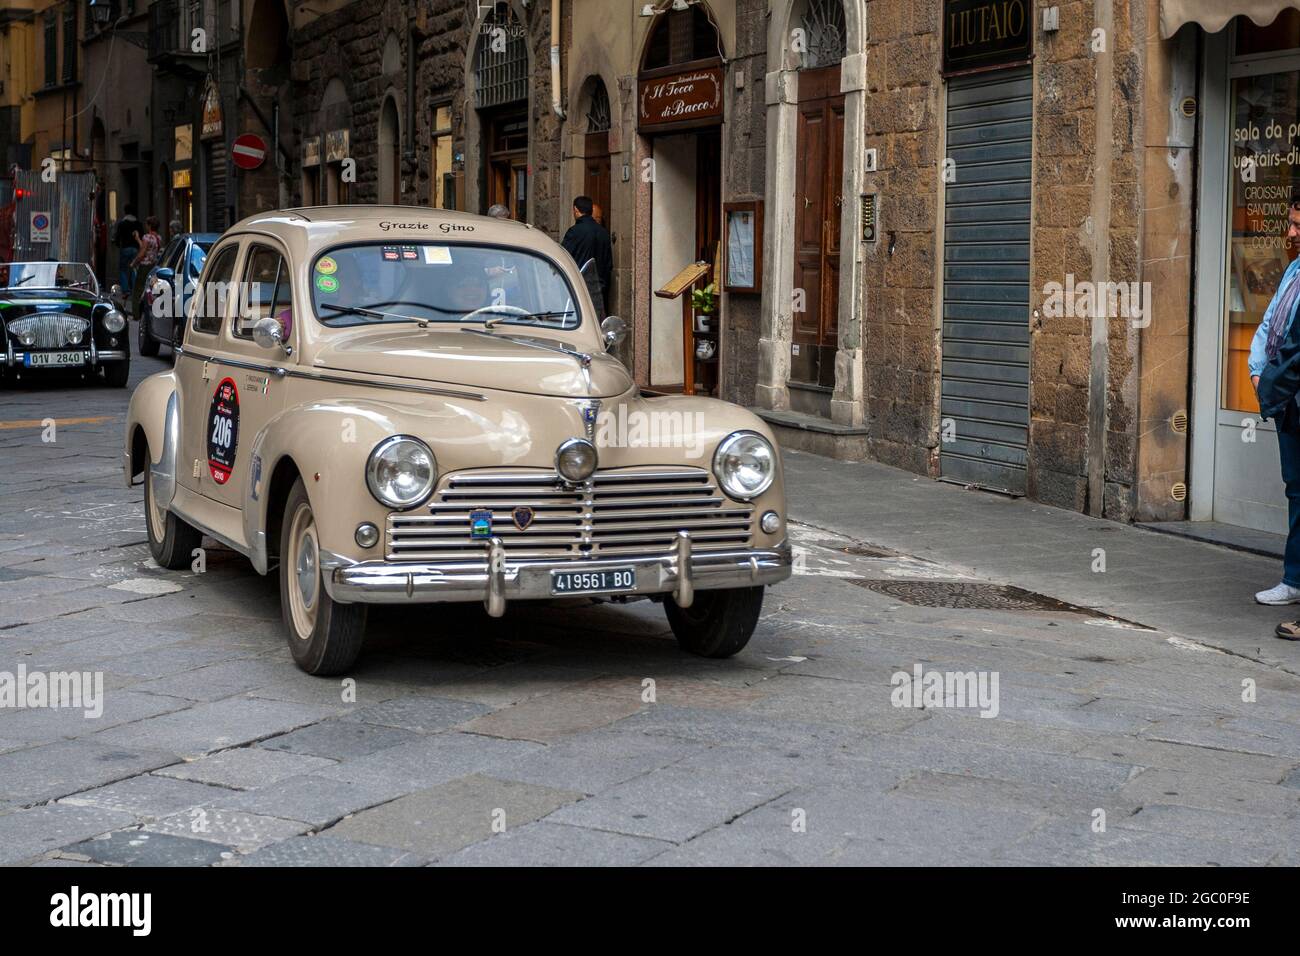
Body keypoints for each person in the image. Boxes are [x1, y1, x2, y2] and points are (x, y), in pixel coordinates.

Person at [1251, 189, 1300, 639]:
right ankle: (1294, 579)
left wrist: (1269, 388)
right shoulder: (1293, 269)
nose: (1290, 233)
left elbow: (1296, 350)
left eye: (1298, 226)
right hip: (1288, 404)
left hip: (1290, 395)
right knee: (1296, 489)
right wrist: (1255, 371)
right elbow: (1270, 324)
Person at [560, 195, 612, 317]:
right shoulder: (603, 233)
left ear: (576, 210)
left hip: (579, 286)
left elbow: (564, 255)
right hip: (599, 288)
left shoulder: (574, 231)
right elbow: (608, 264)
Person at [129, 216, 163, 320]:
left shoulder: (147, 237)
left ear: (149, 226)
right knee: (151, 290)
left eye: (147, 224)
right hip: (153, 266)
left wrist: (133, 263)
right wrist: (138, 239)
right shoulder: (158, 238)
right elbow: (147, 248)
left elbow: (142, 253)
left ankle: (136, 314)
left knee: (138, 290)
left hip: (144, 267)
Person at [113, 205, 140, 298]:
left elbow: (117, 236)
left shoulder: (122, 223)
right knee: (134, 268)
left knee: (123, 269)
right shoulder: (138, 223)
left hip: (125, 248)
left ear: (125, 212)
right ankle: (135, 289)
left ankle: (126, 290)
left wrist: (117, 244)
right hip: (136, 249)